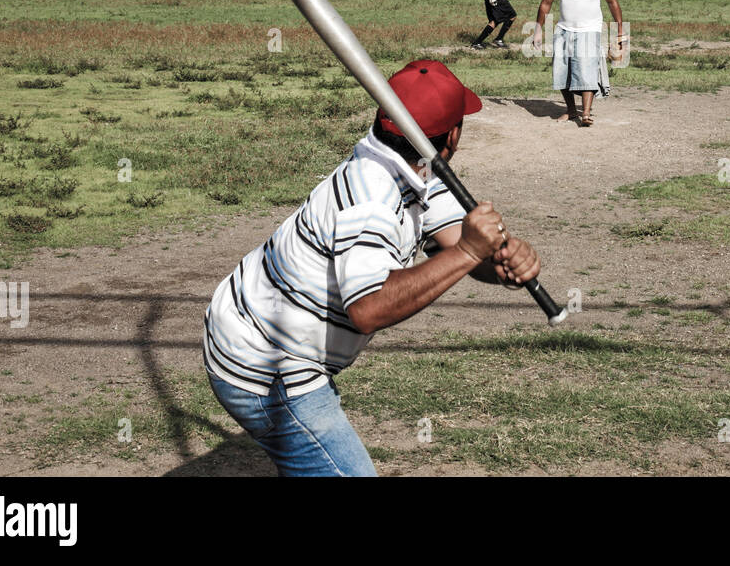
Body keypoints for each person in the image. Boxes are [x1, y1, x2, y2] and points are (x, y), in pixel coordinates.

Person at [203, 60, 541, 476]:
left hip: (263, 338)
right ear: (453, 135)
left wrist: (500, 263)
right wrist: (470, 253)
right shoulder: (371, 195)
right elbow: (368, 309)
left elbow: (459, 243)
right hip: (264, 362)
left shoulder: (416, 172)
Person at [533, 0, 625, 126]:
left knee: (586, 72)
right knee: (562, 72)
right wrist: (538, 29)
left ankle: (586, 113)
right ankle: (572, 110)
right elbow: (545, 4)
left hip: (589, 31)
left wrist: (620, 32)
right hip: (563, 30)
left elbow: (612, 3)